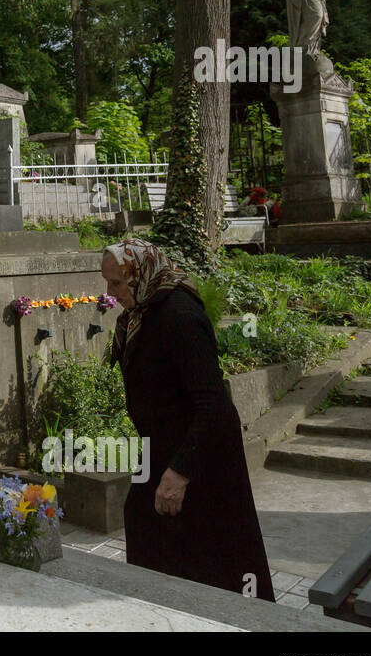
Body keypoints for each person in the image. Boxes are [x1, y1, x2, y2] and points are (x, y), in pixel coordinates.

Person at [101, 238, 275, 602]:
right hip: (161, 446)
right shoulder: (145, 310)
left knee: (212, 554)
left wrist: (179, 472)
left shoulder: (179, 316)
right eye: (109, 282)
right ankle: (162, 610)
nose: (110, 292)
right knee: (145, 523)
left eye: (116, 283)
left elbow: (213, 403)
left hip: (201, 454)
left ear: (139, 274)